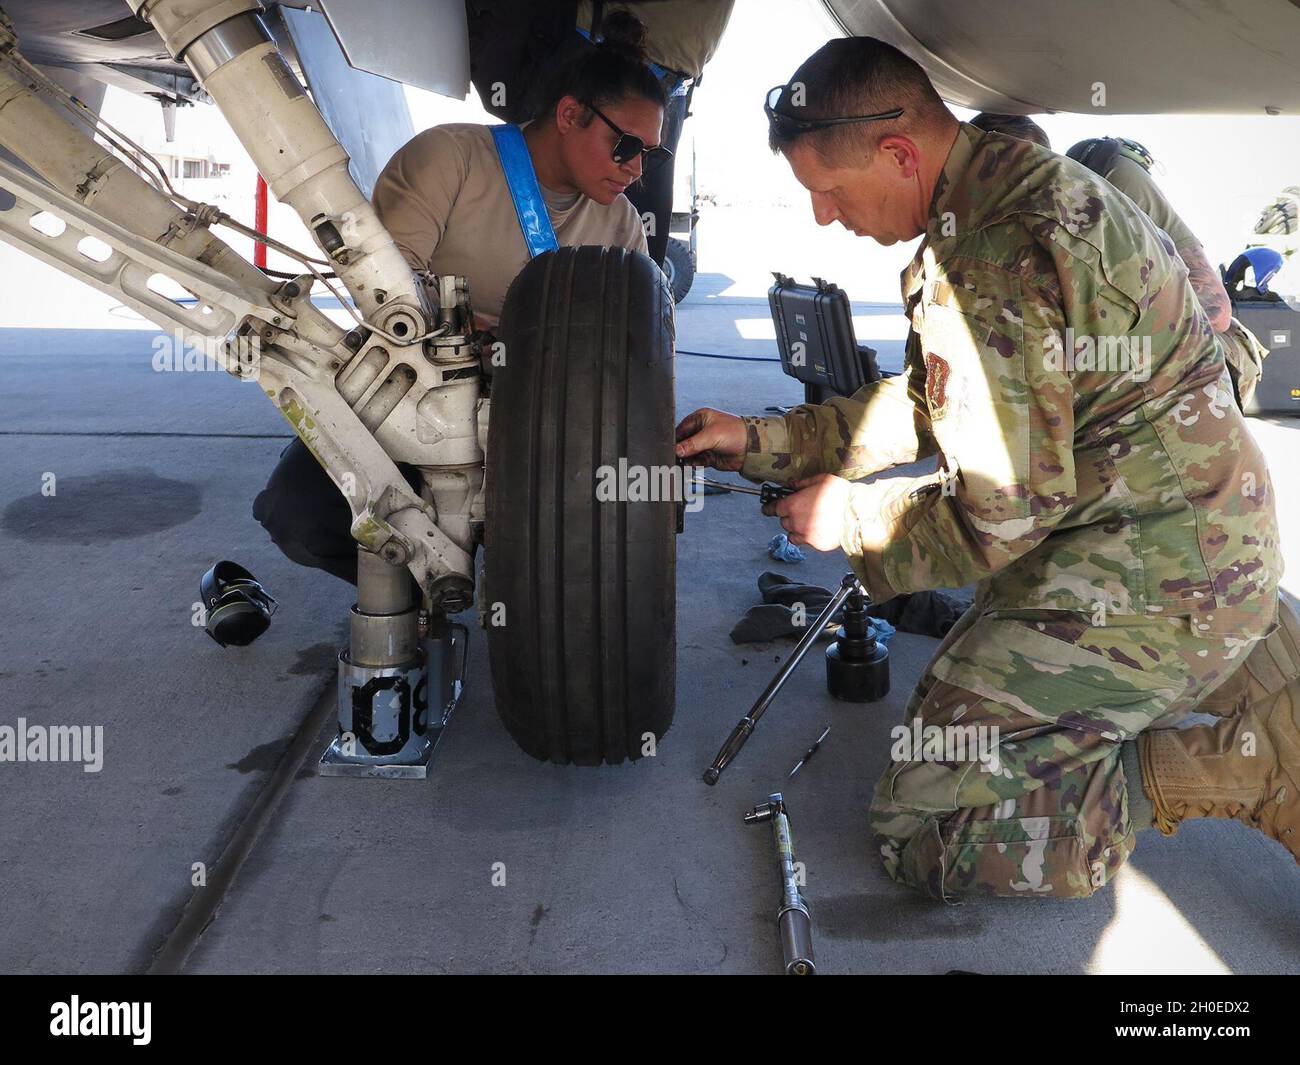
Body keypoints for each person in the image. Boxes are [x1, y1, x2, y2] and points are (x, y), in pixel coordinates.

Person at [676, 37, 1297, 901]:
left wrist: (845, 519)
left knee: (924, 826)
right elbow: (935, 403)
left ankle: (1241, 765)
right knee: (947, 739)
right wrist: (763, 440)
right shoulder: (1005, 194)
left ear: (897, 154)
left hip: (1157, 571)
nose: (824, 216)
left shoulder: (995, 254)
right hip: (1185, 532)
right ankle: (1257, 667)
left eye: (828, 191)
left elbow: (999, 517)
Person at [253, 12, 666, 584]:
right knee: (297, 514)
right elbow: (387, 296)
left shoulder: (620, 226)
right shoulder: (451, 159)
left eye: (651, 154)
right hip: (417, 404)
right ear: (570, 114)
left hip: (540, 424)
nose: (637, 169)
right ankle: (424, 590)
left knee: (608, 541)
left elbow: (638, 349)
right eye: (624, 146)